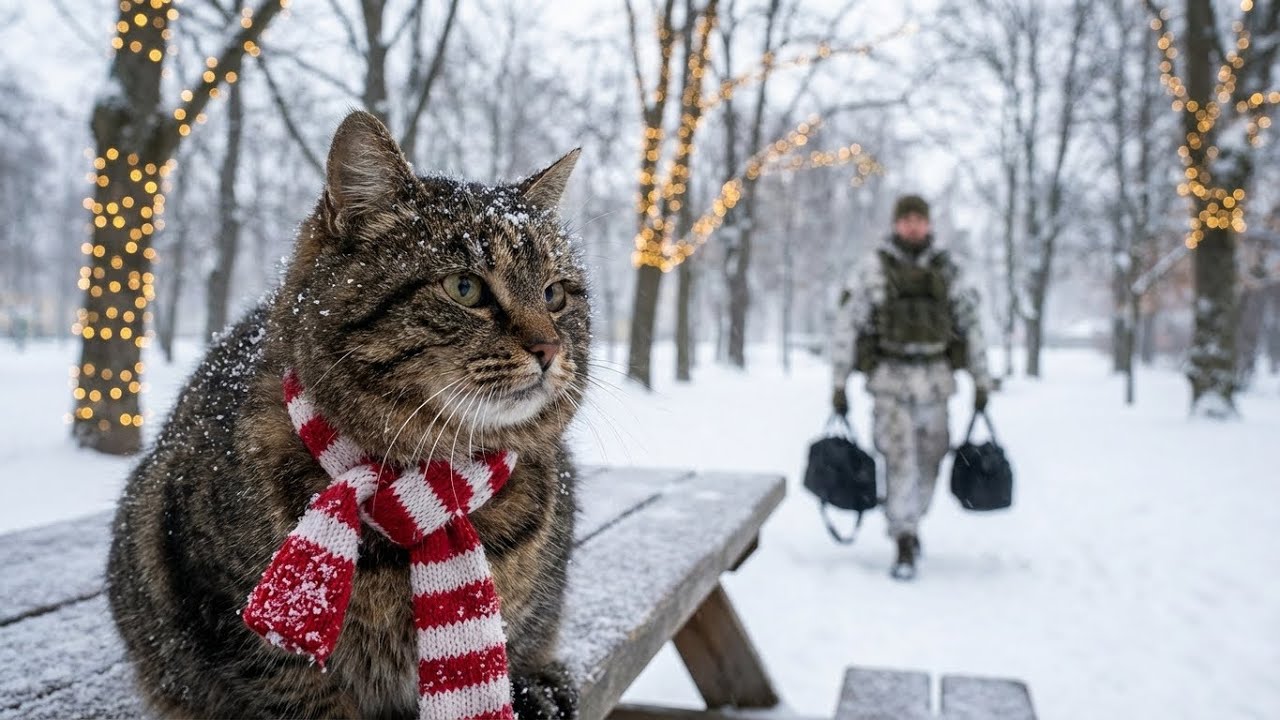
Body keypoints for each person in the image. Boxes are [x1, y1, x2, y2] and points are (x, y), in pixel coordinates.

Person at [830, 194, 992, 580]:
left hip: (935, 381)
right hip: (890, 380)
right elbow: (847, 325)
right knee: (900, 460)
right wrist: (838, 382)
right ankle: (903, 536)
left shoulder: (948, 269)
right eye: (907, 219)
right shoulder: (873, 270)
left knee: (932, 459)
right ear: (897, 223)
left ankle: (912, 519)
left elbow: (971, 326)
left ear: (929, 224)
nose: (913, 226)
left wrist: (982, 380)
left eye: (920, 219)